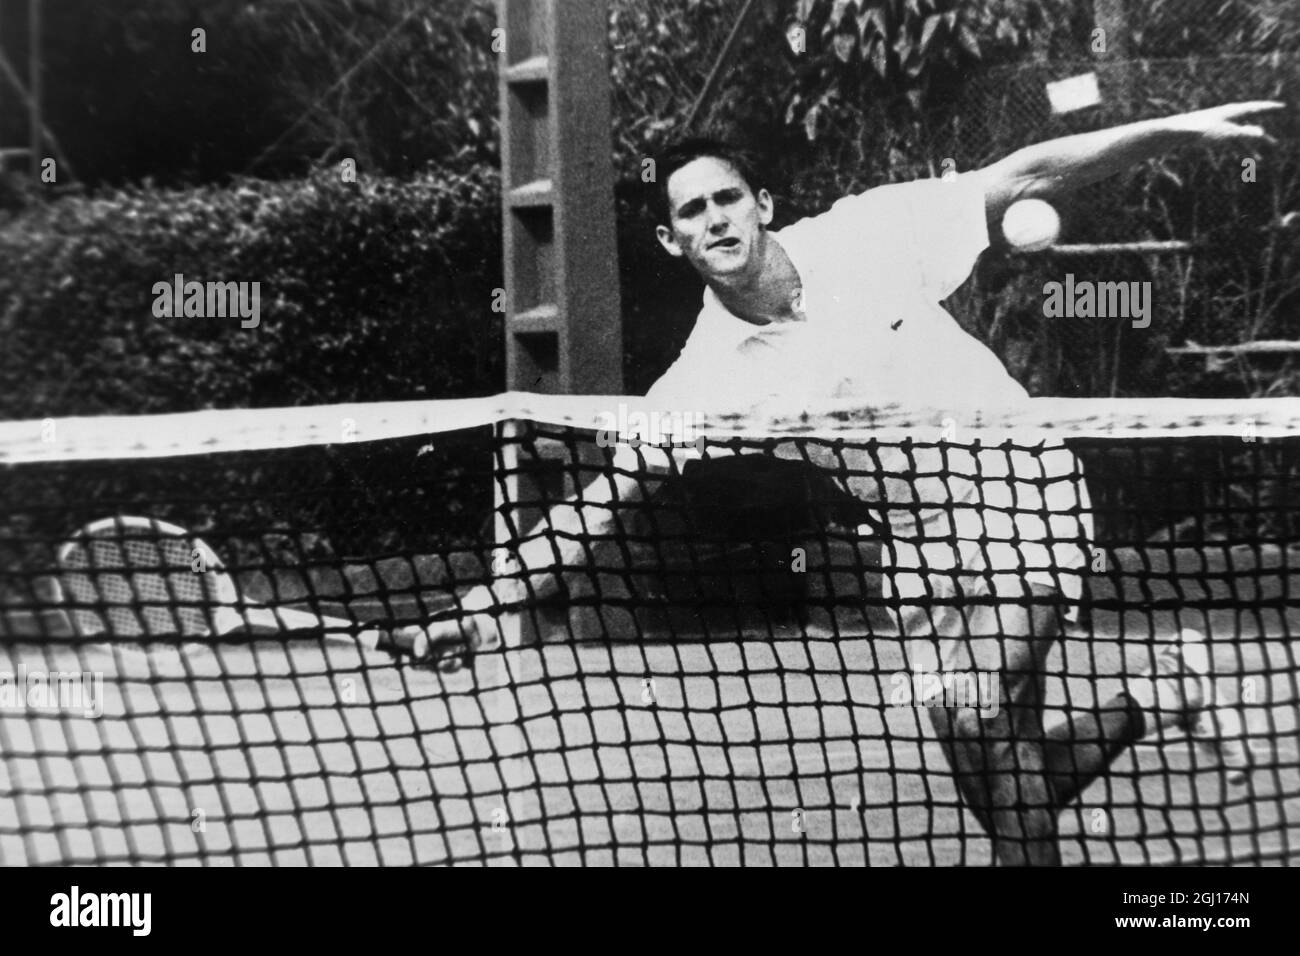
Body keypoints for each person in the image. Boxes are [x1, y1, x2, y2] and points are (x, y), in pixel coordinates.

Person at [398, 103, 1277, 864]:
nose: (715, 219)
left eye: (727, 198)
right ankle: (1160, 698)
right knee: (1004, 785)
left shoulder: (873, 233)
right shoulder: (703, 382)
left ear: (763, 205)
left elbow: (1028, 169)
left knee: (985, 704)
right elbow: (605, 496)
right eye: (692, 212)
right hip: (917, 543)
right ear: (673, 241)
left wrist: (1168, 132)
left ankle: (1156, 700)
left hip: (1021, 481)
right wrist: (489, 602)